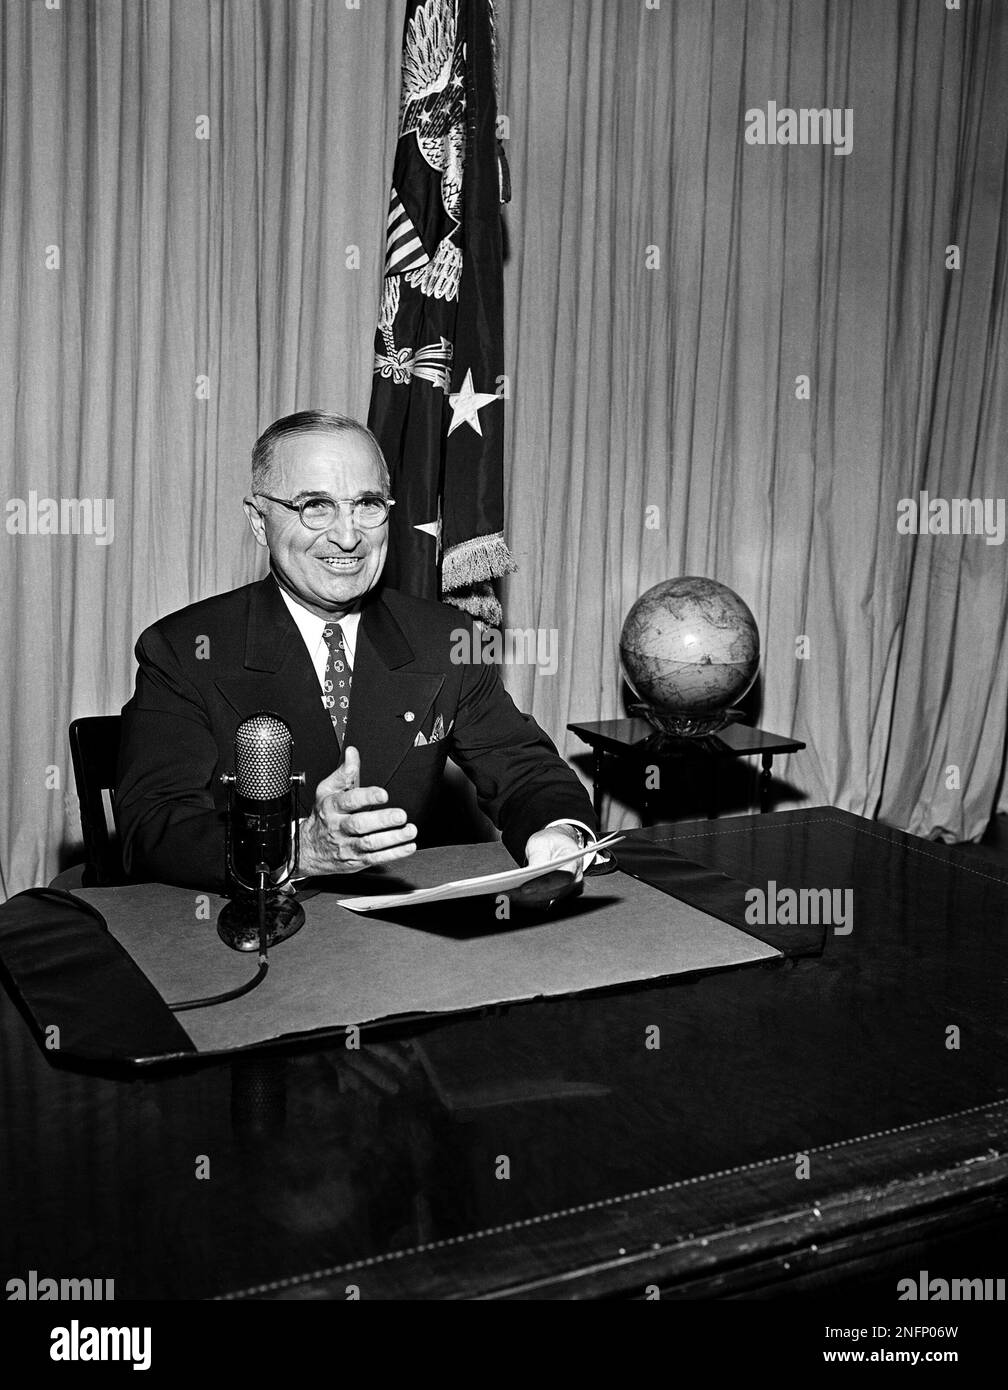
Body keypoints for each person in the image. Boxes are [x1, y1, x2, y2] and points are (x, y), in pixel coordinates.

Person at [115, 411, 597, 907]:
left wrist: (555, 833)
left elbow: (523, 767)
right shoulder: (184, 648)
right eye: (315, 507)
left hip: (398, 936)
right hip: (241, 926)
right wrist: (298, 849)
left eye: (367, 504)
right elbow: (151, 827)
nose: (348, 537)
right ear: (258, 522)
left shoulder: (448, 639)